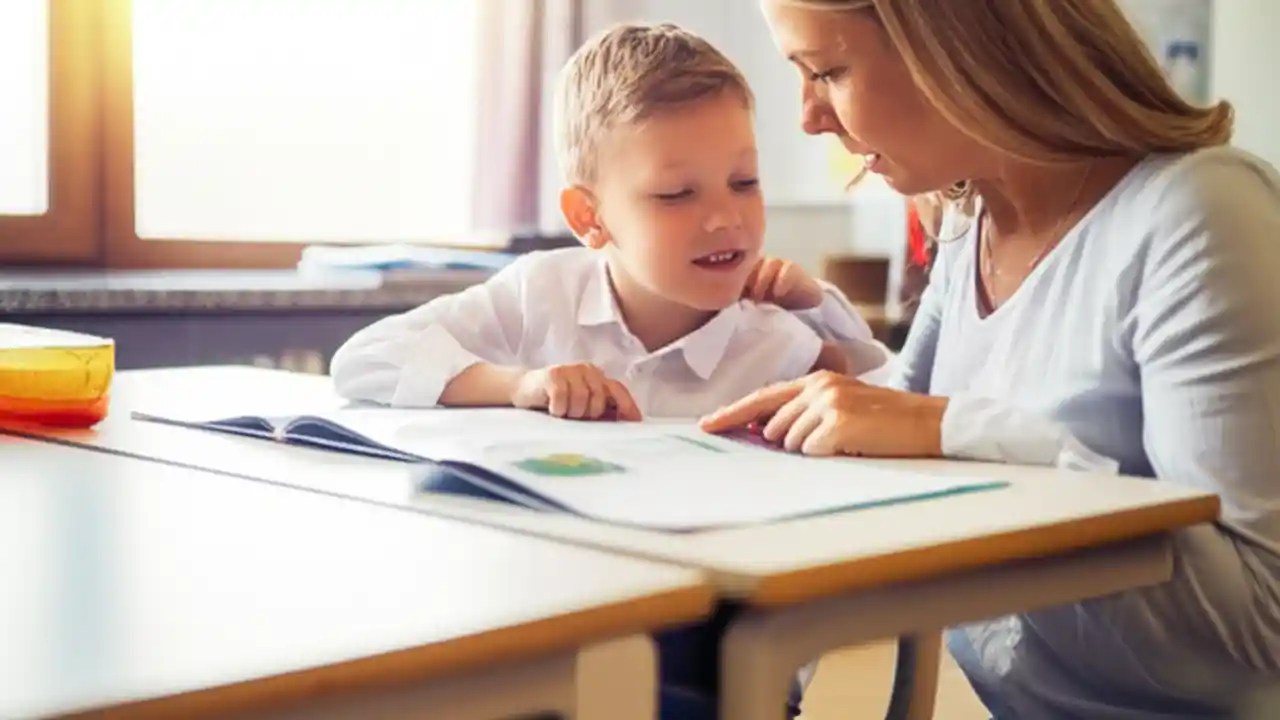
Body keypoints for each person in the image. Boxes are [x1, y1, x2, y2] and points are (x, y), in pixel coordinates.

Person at [701, 0, 1280, 717]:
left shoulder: (1198, 213)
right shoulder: (969, 224)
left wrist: (951, 431)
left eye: (828, 71)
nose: (809, 117)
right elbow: (887, 470)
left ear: (953, 46)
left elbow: (1263, 623)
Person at [330, 23, 889, 421]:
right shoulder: (539, 294)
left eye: (744, 183)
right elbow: (363, 360)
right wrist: (521, 385)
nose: (725, 218)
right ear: (589, 217)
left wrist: (819, 309)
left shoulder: (781, 344)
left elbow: (895, 396)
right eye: (676, 194)